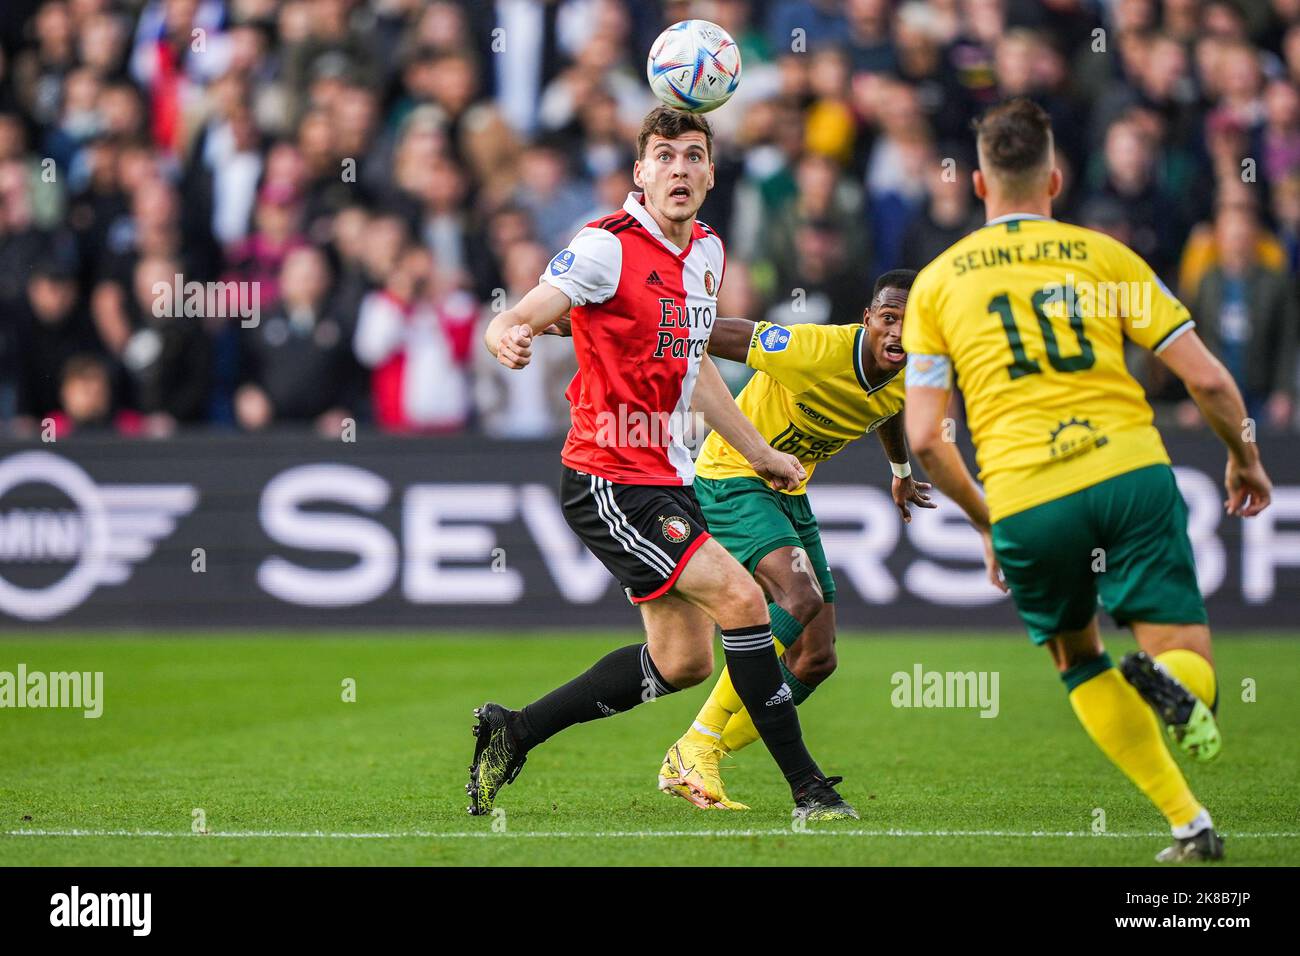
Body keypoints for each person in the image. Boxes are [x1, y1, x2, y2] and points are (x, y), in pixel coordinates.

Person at [902, 97, 1273, 862]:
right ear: (1056, 180)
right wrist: (1245, 457)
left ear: (978, 184)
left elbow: (924, 442)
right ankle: (1168, 683)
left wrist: (986, 523)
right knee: (1184, 653)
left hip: (1028, 497)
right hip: (1130, 471)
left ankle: (1188, 823)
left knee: (1077, 657)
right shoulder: (1105, 256)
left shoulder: (937, 285)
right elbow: (1208, 380)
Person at [469, 106, 856, 821]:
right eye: (665, 156)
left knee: (684, 662)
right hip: (606, 474)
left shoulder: (706, 252)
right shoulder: (604, 247)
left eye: (694, 156)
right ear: (639, 172)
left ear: (711, 173)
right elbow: (525, 310)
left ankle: (513, 730)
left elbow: (695, 365)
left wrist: (760, 452)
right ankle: (808, 789)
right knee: (743, 600)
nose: (680, 169)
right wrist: (507, 332)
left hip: (667, 475)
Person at [659, 269, 934, 810]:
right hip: (733, 475)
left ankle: (698, 753)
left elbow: (888, 406)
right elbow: (700, 330)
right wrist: (594, 323)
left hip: (788, 486)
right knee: (799, 599)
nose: (899, 332)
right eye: (888, 318)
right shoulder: (810, 348)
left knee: (816, 658)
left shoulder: (917, 373)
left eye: (913, 320)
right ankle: (698, 742)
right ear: (867, 321)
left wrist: (900, 469)